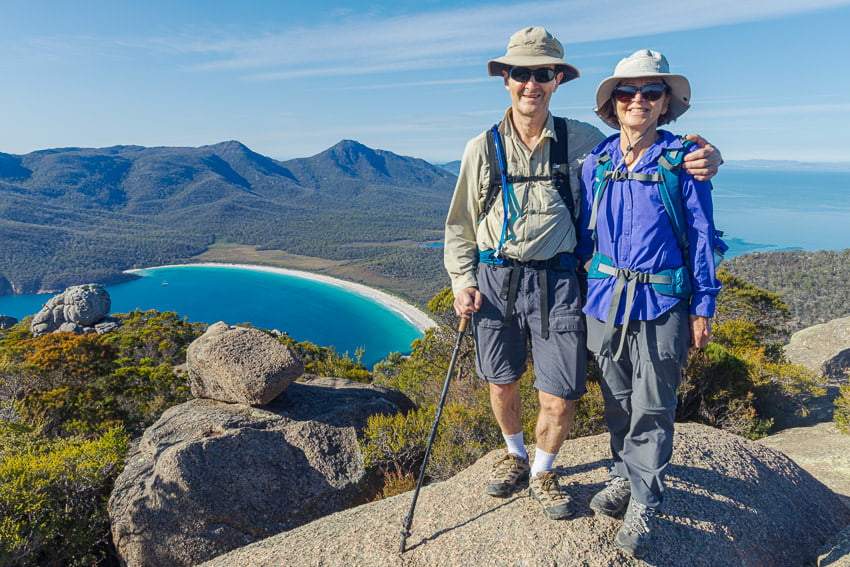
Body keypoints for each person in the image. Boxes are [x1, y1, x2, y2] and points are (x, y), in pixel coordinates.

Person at [444, 28, 721, 520]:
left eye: (543, 74)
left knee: (560, 388)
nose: (532, 83)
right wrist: (462, 281)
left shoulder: (581, 142)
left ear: (557, 81)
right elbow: (460, 223)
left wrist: (707, 154)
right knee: (502, 380)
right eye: (522, 73)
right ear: (506, 79)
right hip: (495, 276)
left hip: (559, 281)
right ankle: (514, 456)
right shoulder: (481, 148)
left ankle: (545, 471)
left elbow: (649, 144)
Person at [575, 49, 722, 556]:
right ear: (612, 104)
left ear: (665, 104)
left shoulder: (684, 162)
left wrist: (704, 307)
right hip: (603, 299)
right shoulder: (596, 162)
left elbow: (701, 238)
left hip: (662, 301)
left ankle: (644, 498)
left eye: (651, 92)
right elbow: (584, 236)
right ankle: (621, 475)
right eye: (627, 92)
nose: (638, 100)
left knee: (653, 405)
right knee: (616, 399)